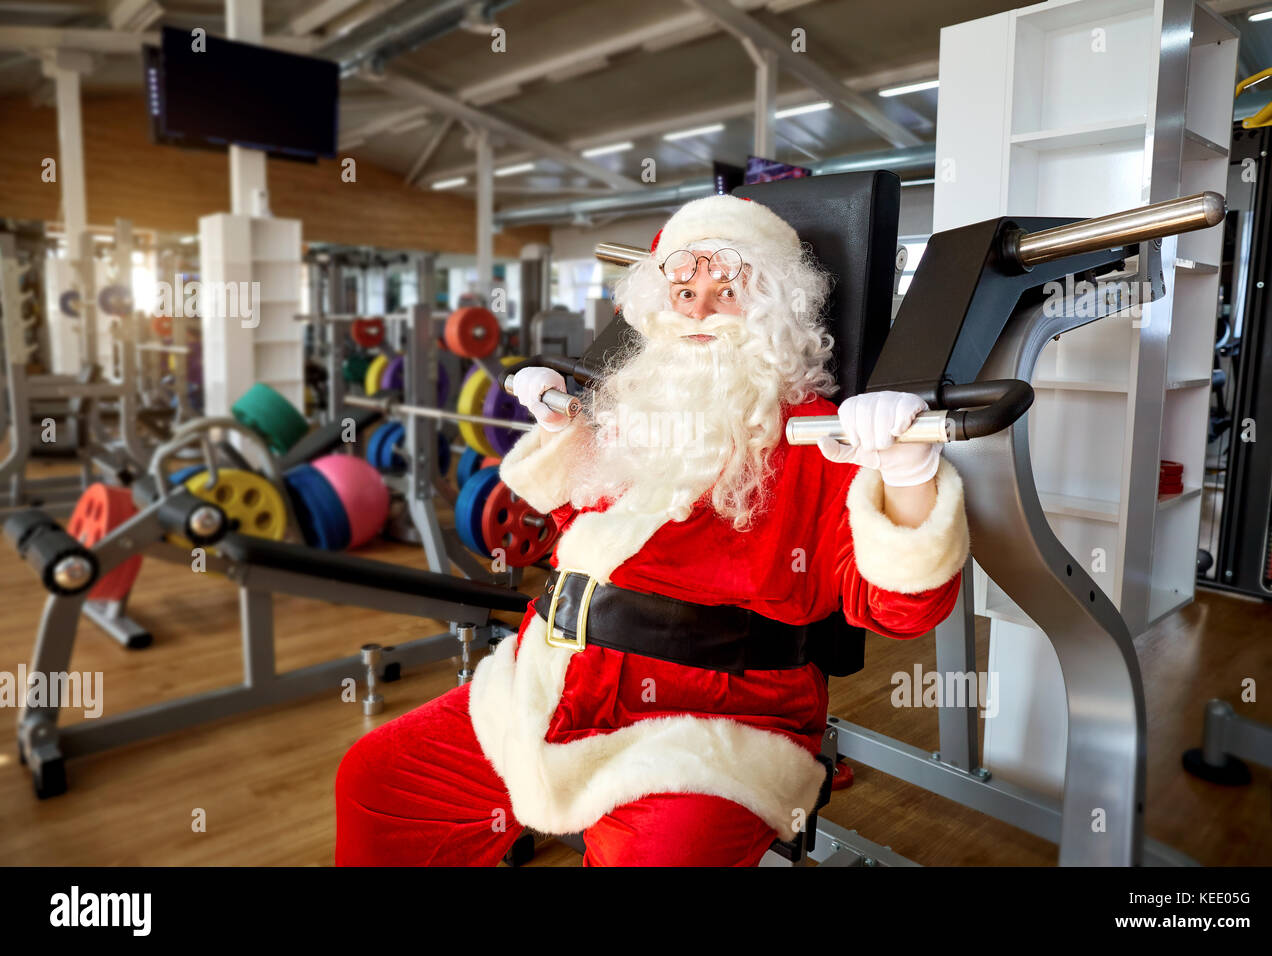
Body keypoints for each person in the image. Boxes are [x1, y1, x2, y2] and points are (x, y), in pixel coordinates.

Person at [335, 194, 969, 866]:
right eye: (684, 289)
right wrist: (564, 434)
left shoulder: (820, 438)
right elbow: (579, 533)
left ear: (774, 310)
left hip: (714, 721)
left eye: (727, 290)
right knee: (378, 779)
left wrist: (906, 470)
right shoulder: (634, 409)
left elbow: (901, 611)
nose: (697, 309)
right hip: (549, 680)